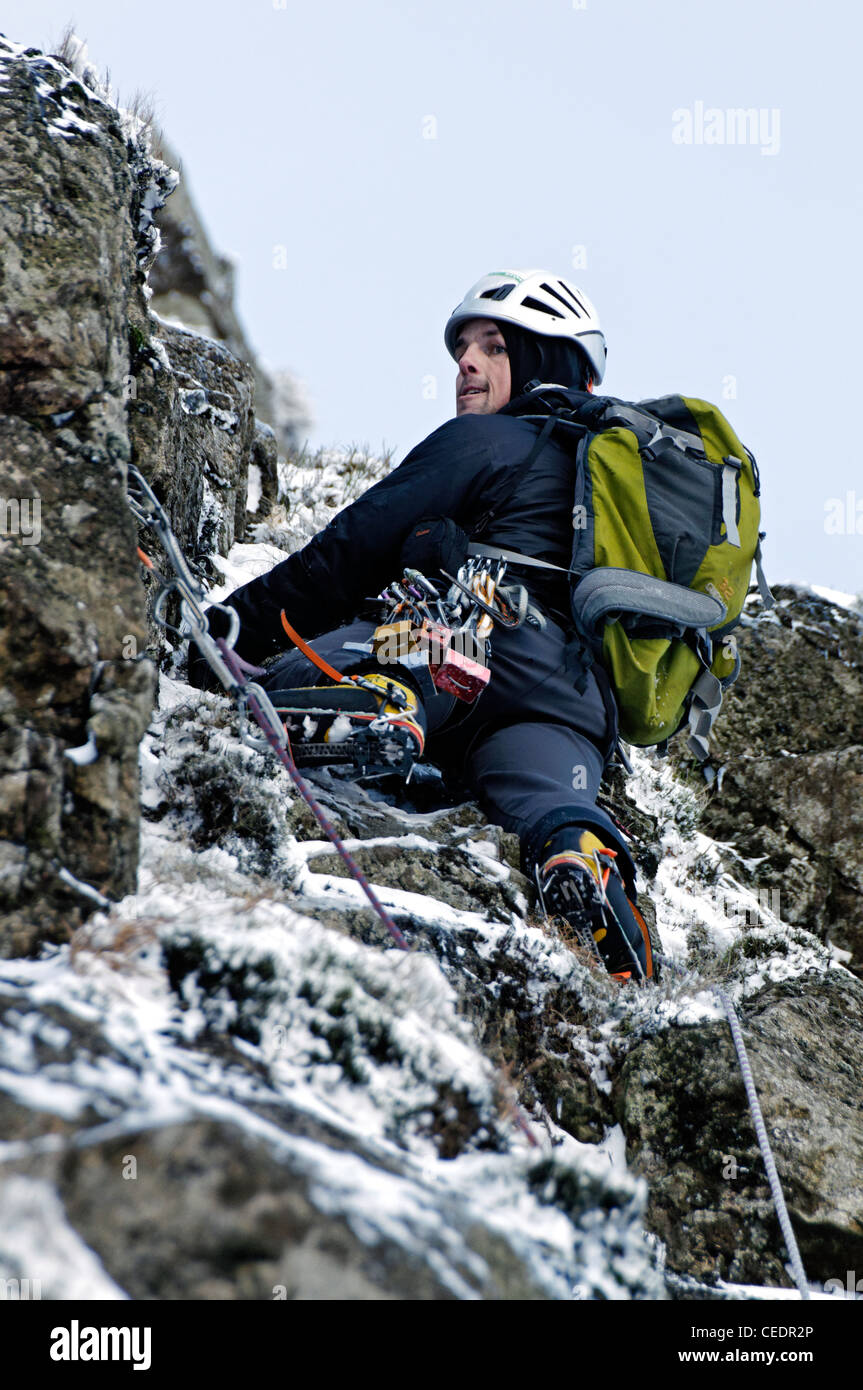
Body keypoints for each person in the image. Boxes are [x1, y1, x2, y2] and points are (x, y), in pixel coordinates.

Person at [188, 269, 654, 981]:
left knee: (378, 654)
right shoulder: (611, 487)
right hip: (568, 701)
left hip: (464, 639)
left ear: (544, 361)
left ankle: (382, 704)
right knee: (544, 797)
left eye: (493, 346)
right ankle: (579, 859)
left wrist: (226, 634)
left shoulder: (489, 442)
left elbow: (346, 554)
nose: (465, 362)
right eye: (463, 348)